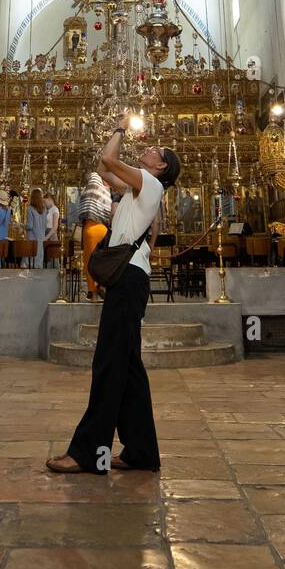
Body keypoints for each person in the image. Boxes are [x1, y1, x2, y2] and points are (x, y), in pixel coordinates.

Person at [46, 114, 180, 475]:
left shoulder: (151, 184)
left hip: (129, 280)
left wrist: (121, 127)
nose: (148, 149)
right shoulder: (138, 189)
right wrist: (113, 140)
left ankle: (88, 453)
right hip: (129, 279)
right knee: (129, 368)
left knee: (108, 365)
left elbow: (108, 159)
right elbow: (102, 168)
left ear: (161, 166)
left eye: (155, 150)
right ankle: (141, 452)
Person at [79, 171, 112, 301]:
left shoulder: (91, 189)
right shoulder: (107, 192)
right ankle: (103, 288)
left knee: (90, 263)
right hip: (104, 229)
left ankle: (93, 294)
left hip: (90, 229)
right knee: (104, 262)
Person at [25, 187, 48, 268]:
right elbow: (45, 226)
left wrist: (21, 225)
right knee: (38, 263)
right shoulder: (44, 209)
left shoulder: (30, 209)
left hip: (32, 239)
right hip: (41, 239)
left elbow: (30, 226)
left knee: (30, 264)